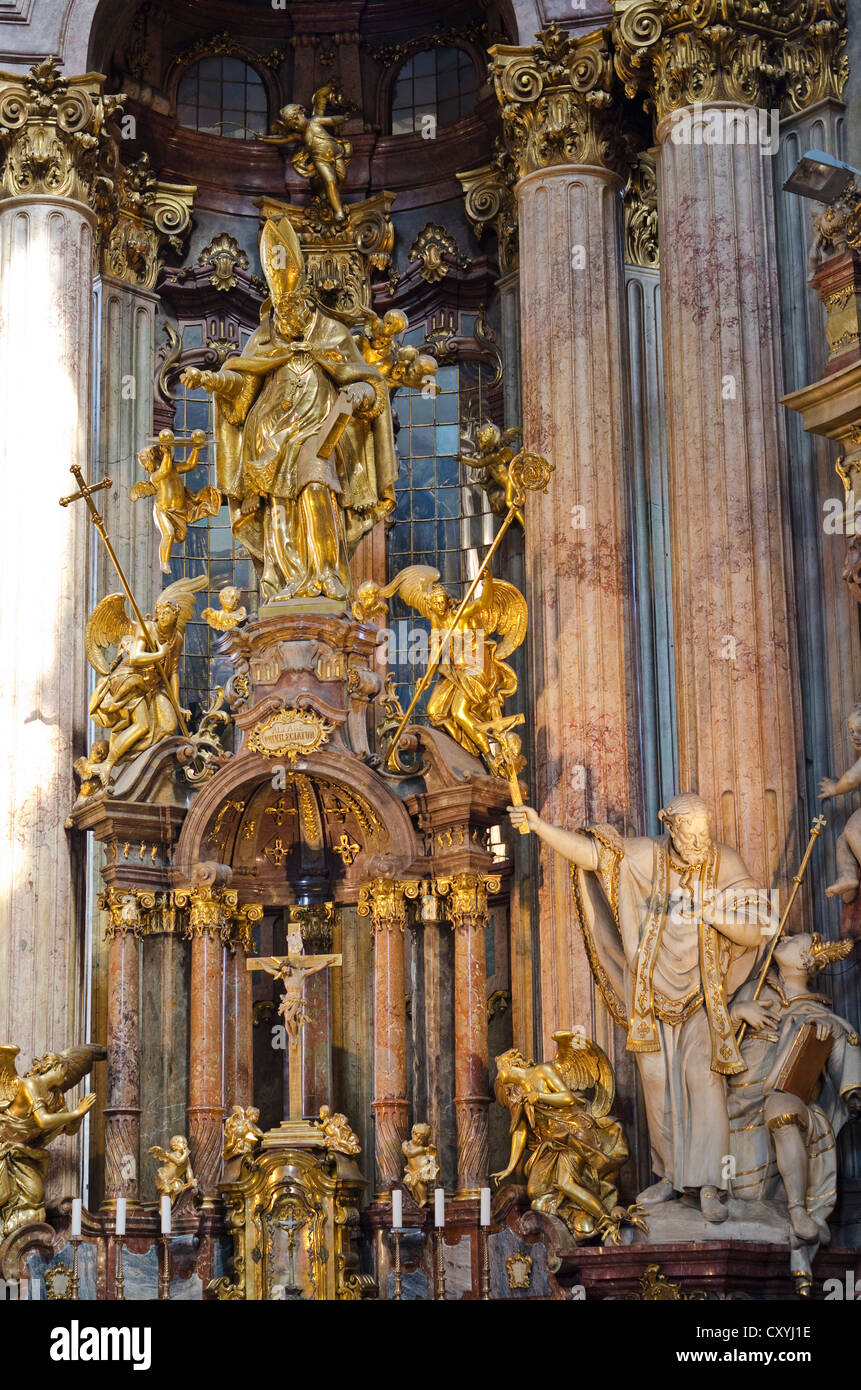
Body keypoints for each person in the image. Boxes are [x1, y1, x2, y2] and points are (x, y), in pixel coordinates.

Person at [508, 793, 769, 1223]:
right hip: (650, 994)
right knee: (656, 1084)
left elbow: (757, 929)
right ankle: (669, 1176)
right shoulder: (646, 856)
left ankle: (711, 1185)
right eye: (692, 833)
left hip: (704, 995)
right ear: (671, 826)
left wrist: (710, 911)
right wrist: (539, 827)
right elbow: (592, 854)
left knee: (702, 1078)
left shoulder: (723, 863)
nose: (700, 842)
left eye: (705, 833)